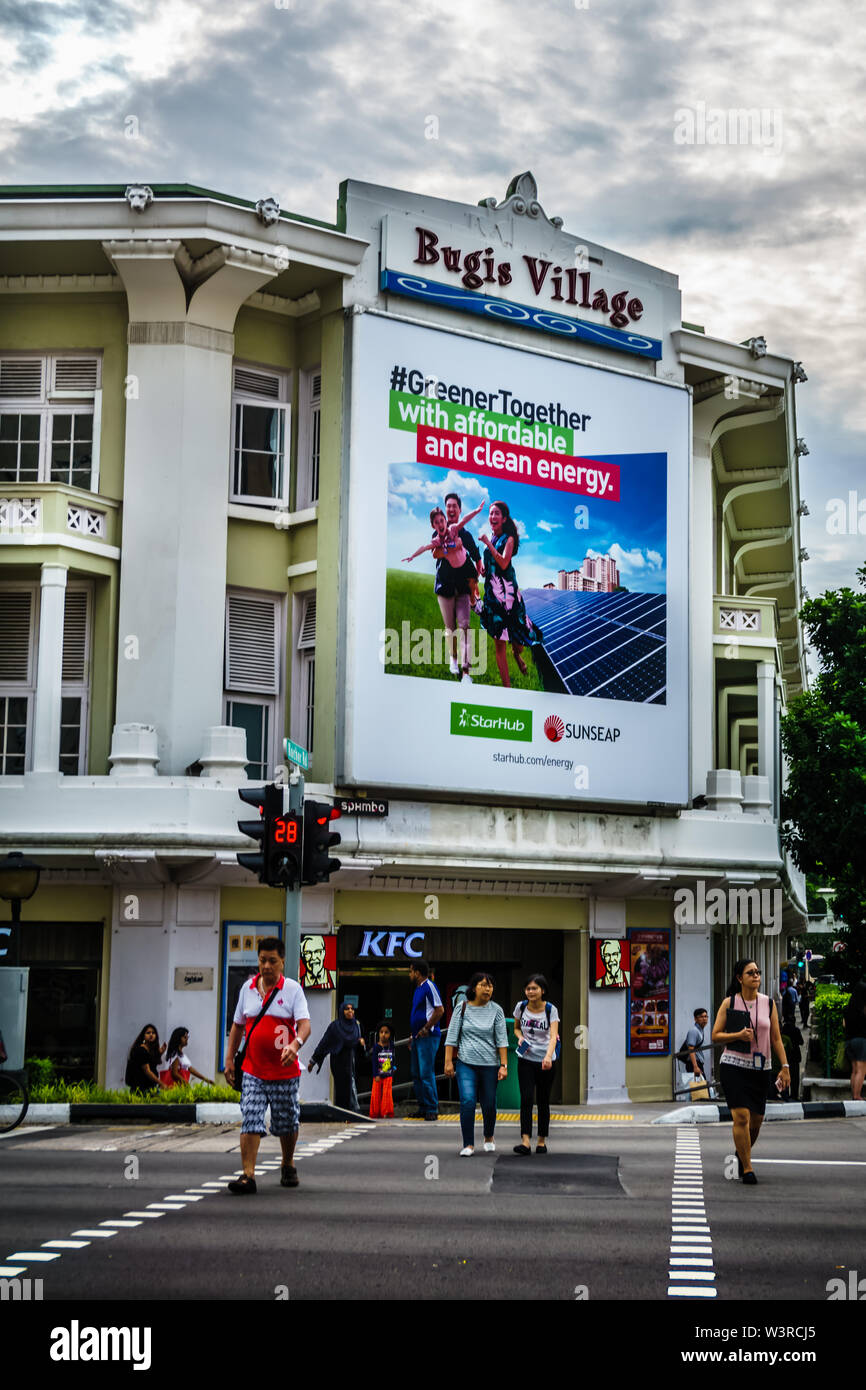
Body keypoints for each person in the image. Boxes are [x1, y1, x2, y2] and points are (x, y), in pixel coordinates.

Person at [223, 937, 311, 1194]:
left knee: (286, 1122)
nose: (267, 966)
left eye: (272, 961)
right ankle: (248, 1176)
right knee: (250, 1116)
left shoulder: (293, 990)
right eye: (262, 960)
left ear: (282, 961)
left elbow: (305, 1025)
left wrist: (294, 1045)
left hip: (284, 1072)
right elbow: (238, 1025)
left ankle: (287, 1163)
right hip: (253, 1069)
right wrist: (229, 1060)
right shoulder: (247, 989)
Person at [711, 959, 789, 1185]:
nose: (756, 976)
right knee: (741, 1117)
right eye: (750, 973)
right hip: (733, 1066)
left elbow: (776, 1038)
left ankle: (740, 1152)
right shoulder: (730, 1003)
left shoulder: (769, 1004)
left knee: (756, 1121)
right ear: (739, 978)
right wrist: (737, 1036)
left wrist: (784, 1067)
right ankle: (747, 1168)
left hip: (760, 1068)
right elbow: (716, 1035)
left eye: (758, 972)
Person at [477, 500, 543, 688]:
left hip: (510, 599)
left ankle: (516, 655)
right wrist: (484, 572)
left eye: (497, 513)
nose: (492, 516)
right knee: (499, 643)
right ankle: (508, 689)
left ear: (504, 518)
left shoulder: (509, 539)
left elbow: (504, 563)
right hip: (493, 597)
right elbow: (492, 567)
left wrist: (488, 544)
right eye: (490, 513)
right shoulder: (490, 538)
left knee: (518, 642)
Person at [444, 971, 508, 1155]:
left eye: (490, 986)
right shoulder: (461, 1008)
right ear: (474, 988)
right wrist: (448, 1061)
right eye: (483, 985)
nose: (487, 989)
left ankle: (488, 1136)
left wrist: (504, 1065)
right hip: (466, 1064)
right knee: (468, 1101)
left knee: (488, 1104)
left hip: (490, 1064)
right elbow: (451, 1037)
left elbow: (502, 1040)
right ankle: (468, 1144)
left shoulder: (496, 1010)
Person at [512, 974, 560, 1155]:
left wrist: (548, 1057)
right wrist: (520, 1037)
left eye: (534, 988)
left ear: (543, 990)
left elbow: (554, 1036)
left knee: (542, 1100)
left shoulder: (550, 1009)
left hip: (546, 1061)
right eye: (528, 989)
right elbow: (516, 1027)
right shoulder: (521, 1006)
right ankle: (525, 1141)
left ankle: (541, 1140)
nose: (530, 992)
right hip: (525, 1058)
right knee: (525, 1099)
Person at [442, 491, 484, 676]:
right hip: (444, 587)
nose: (451, 509)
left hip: (463, 589)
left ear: (459, 510)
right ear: (445, 509)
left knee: (464, 627)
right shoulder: (440, 531)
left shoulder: (465, 534)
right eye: (448, 506)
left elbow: (476, 555)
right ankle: (453, 660)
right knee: (450, 628)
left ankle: (466, 672)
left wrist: (479, 568)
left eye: (454, 506)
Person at [309, 1001, 365, 1112]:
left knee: (351, 1084)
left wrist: (362, 1043)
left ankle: (353, 1111)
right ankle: (344, 1112)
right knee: (341, 1088)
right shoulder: (335, 1026)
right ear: (342, 1011)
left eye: (352, 1009)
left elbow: (359, 1043)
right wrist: (313, 1060)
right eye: (347, 1009)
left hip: (351, 1060)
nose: (350, 1011)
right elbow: (324, 1043)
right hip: (338, 1061)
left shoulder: (357, 1026)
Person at [408, 960, 444, 1120]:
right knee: (416, 1073)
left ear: (417, 972)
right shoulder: (418, 990)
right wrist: (413, 1034)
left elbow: (440, 1010)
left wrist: (426, 1028)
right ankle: (423, 1106)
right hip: (418, 1037)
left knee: (426, 1072)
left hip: (428, 1036)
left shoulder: (429, 986)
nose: (409, 975)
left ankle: (431, 1108)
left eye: (411, 971)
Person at [677, 1008, 710, 1098]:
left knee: (700, 1087)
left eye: (706, 1016)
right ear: (695, 1019)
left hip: (697, 1063)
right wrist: (695, 1066)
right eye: (701, 1017)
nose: (704, 1019)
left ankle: (699, 1101)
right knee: (698, 1087)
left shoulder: (700, 1030)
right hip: (693, 1063)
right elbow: (691, 1049)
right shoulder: (694, 1031)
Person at [368, 1021, 396, 1119]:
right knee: (376, 1094)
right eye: (381, 1032)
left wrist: (394, 1068)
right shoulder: (376, 1047)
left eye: (386, 1032)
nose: (383, 1035)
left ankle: (387, 1112)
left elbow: (393, 1058)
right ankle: (375, 1113)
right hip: (378, 1075)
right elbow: (374, 1062)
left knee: (387, 1094)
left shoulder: (391, 1045)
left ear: (390, 1034)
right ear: (378, 1033)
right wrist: (376, 1074)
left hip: (388, 1074)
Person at [843, 982, 866, 1101]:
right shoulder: (863, 1009)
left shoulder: (847, 1009)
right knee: (861, 1070)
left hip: (849, 1040)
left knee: (854, 1070)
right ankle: (857, 1095)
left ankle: (854, 1095)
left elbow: (844, 1025)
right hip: (861, 1040)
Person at [124, 1024, 164, 1092]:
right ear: (143, 1036)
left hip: (150, 1087)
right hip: (141, 1089)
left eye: (153, 1033)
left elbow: (152, 1064)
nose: (151, 1035)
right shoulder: (141, 1050)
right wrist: (161, 1083)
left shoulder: (150, 1050)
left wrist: (160, 1053)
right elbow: (147, 1071)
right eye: (148, 1033)